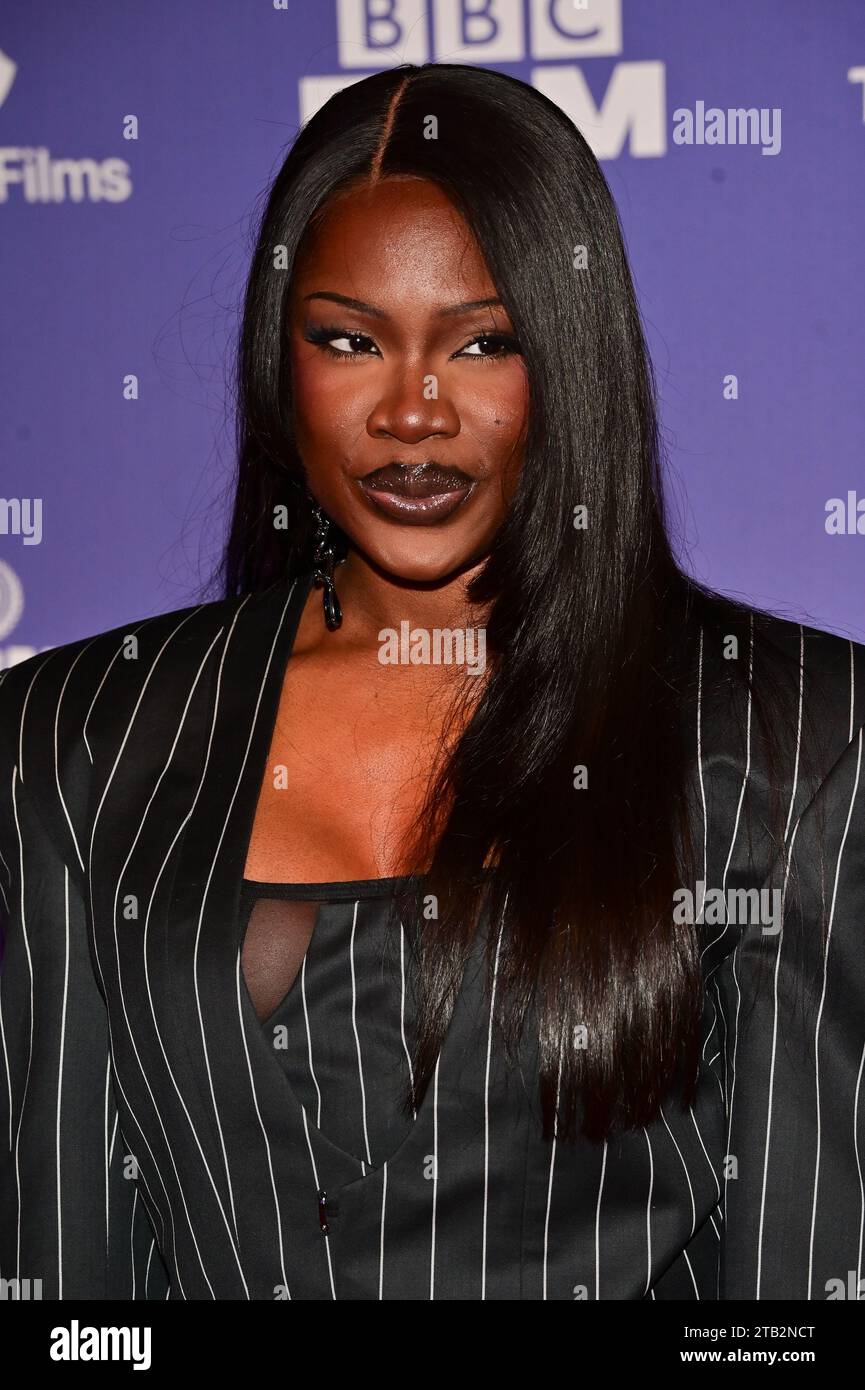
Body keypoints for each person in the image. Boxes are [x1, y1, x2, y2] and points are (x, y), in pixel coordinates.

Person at [1, 62, 863, 1302]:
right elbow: (67, 1294)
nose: (412, 411)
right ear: (278, 357)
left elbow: (792, 1295)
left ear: (567, 360)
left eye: (483, 342)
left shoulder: (791, 738)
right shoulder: (72, 738)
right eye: (350, 339)